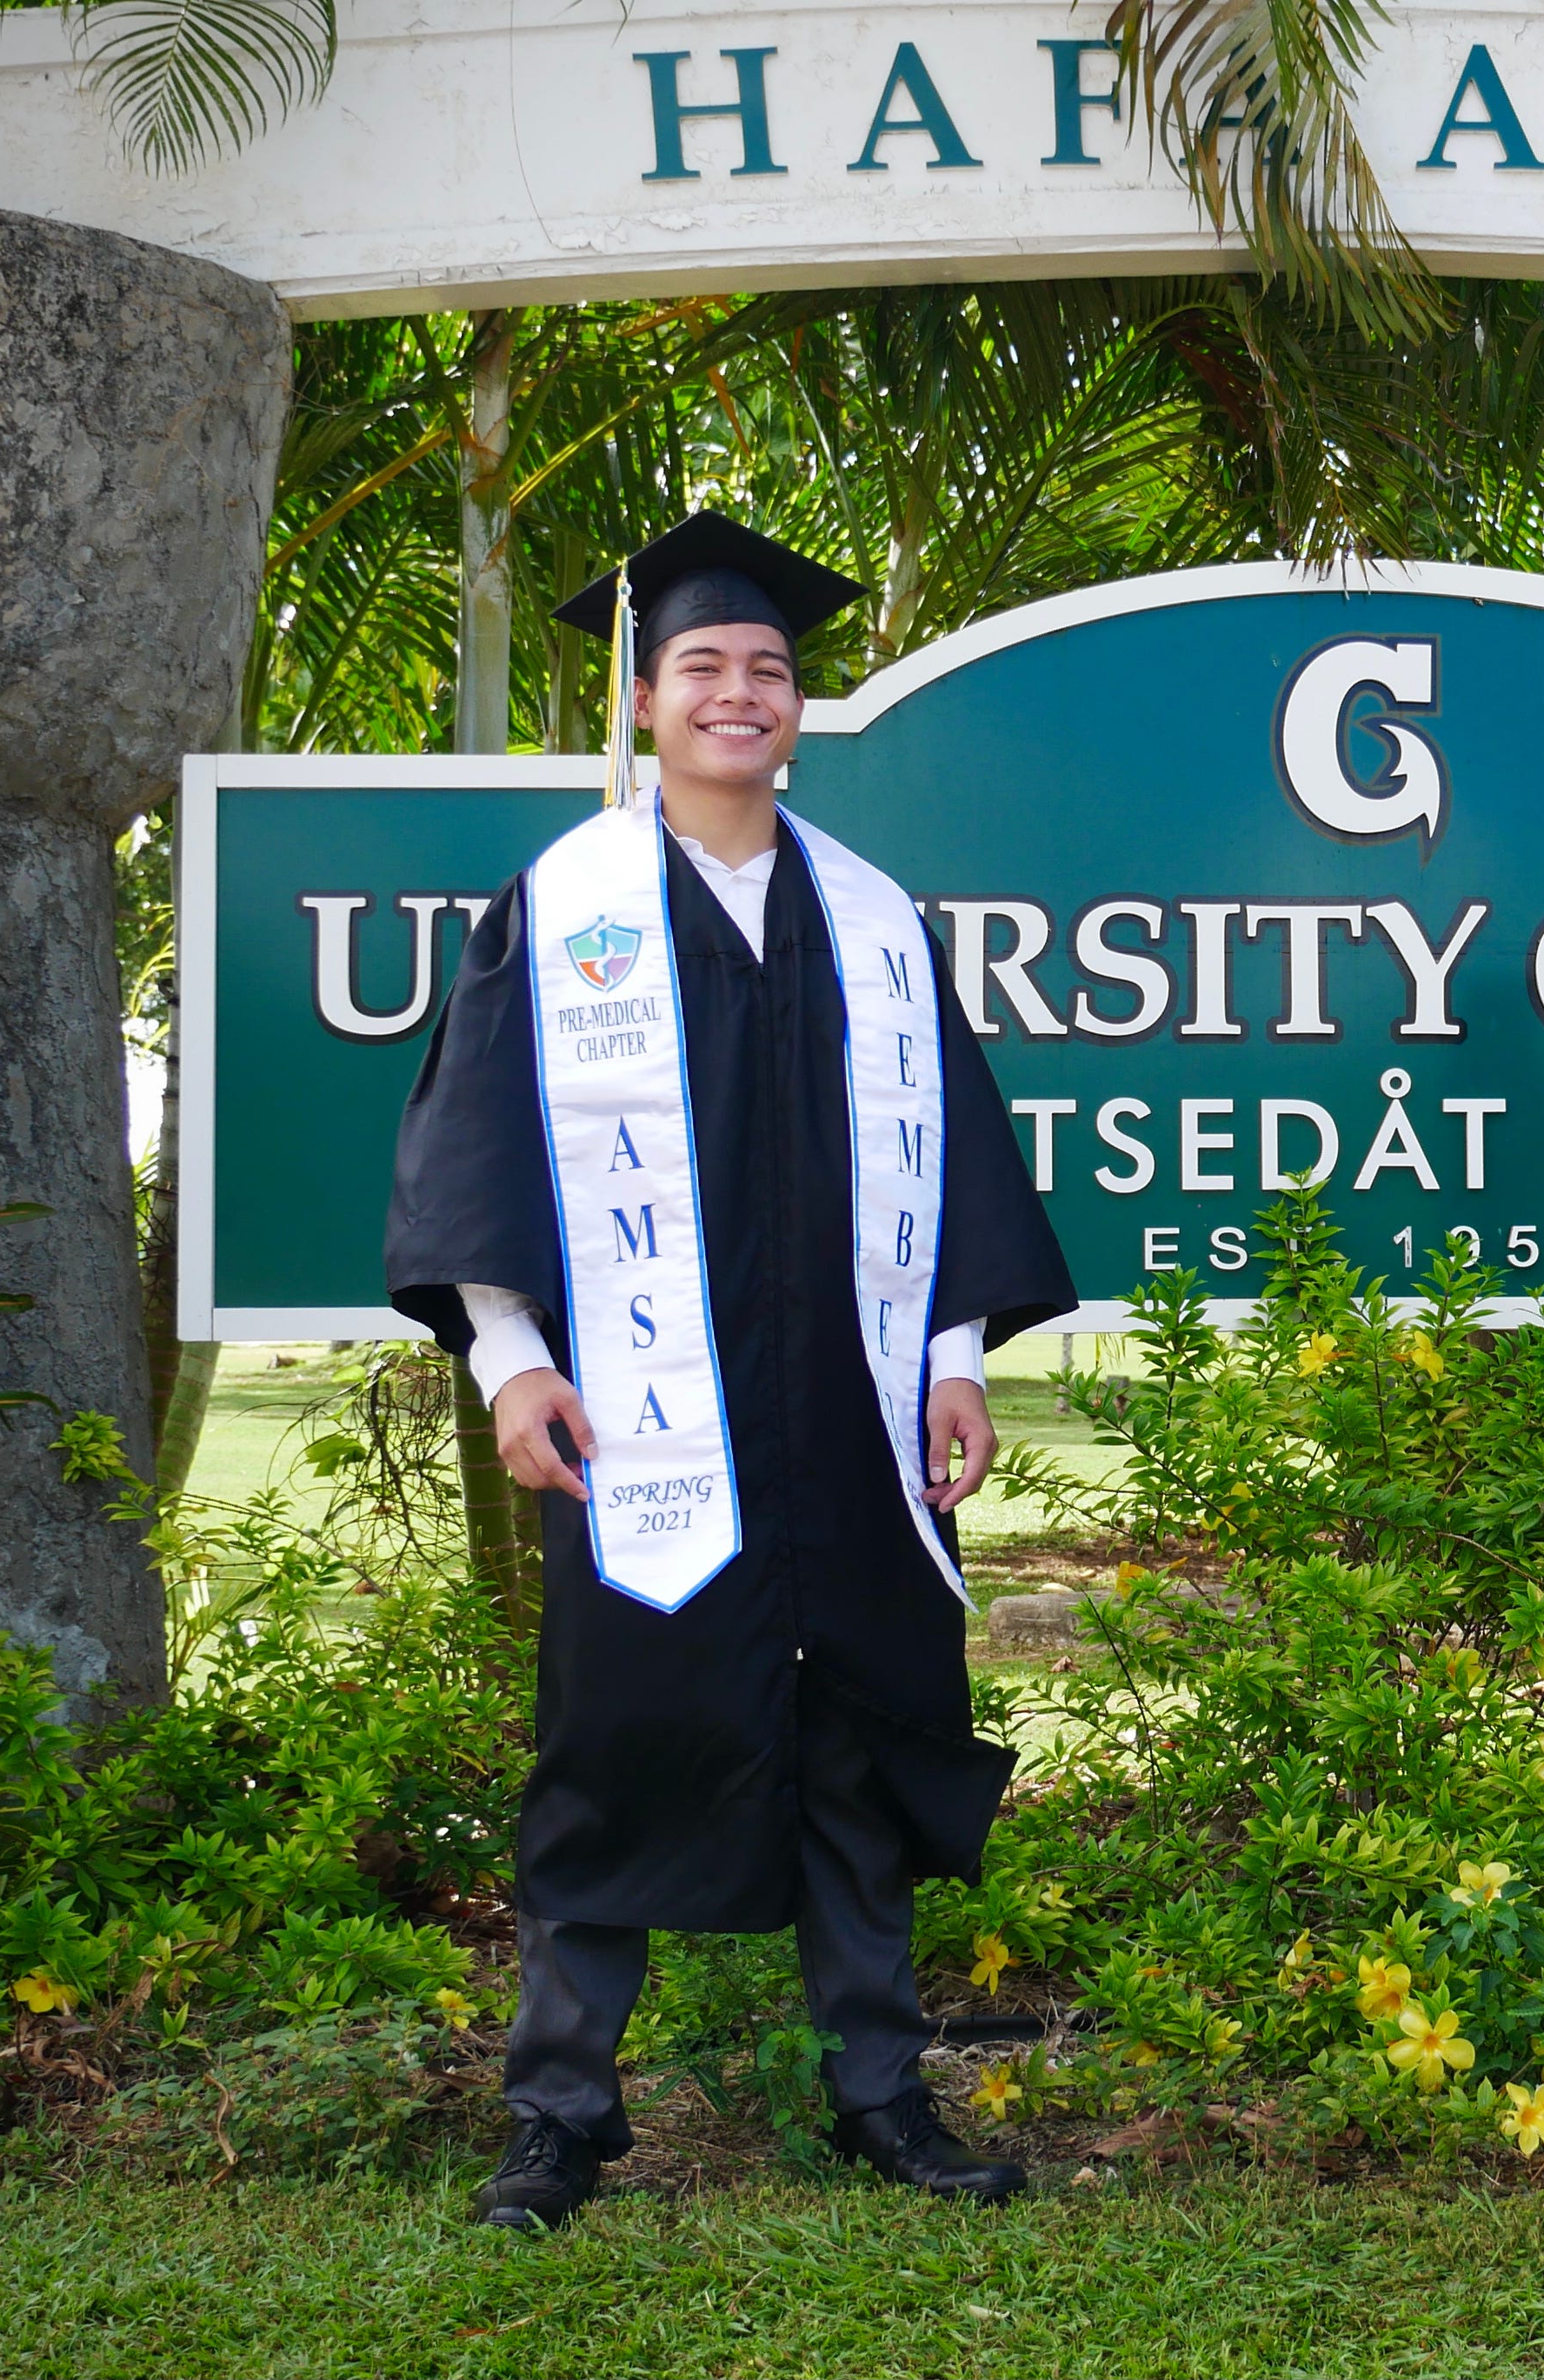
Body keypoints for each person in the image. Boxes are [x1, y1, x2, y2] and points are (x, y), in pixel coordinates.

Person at [383, 512, 1075, 2227]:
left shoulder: (872, 919)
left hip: (848, 1396)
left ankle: (877, 2090)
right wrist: (508, 1362)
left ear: (796, 703)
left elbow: (946, 1163)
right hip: (642, 1398)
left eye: (766, 668)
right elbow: (477, 1149)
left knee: (857, 1727)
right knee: (615, 1729)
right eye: (702, 666)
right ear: (644, 697)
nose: (738, 693)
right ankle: (560, 2111)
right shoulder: (564, 908)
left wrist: (956, 1357)